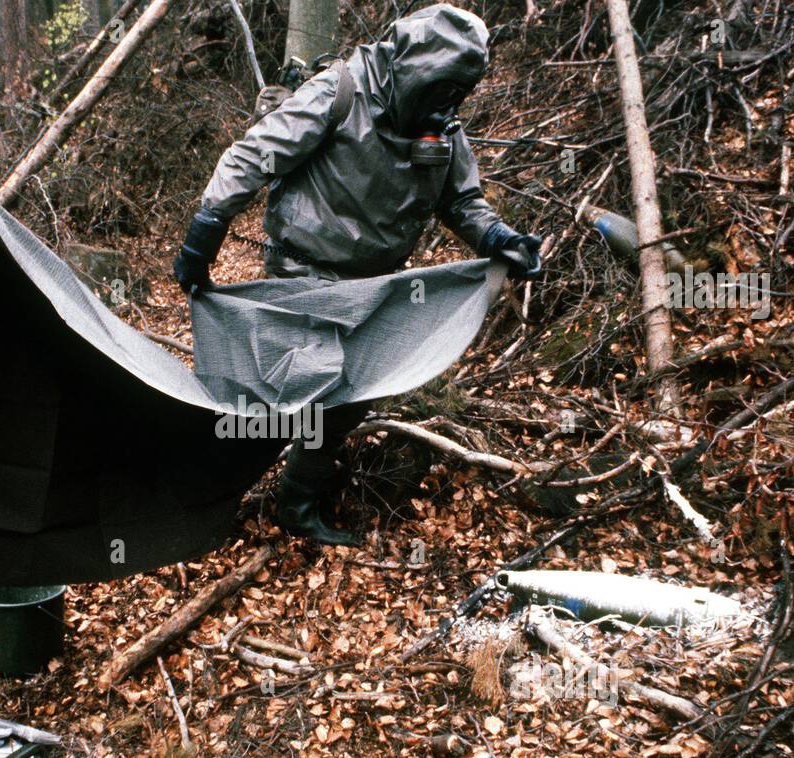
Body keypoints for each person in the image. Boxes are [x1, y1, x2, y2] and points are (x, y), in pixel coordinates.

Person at [174, 3, 542, 546]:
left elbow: (462, 201)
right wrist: (205, 229)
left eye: (458, 91)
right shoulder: (339, 92)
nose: (447, 102)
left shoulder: (442, 124)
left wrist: (498, 238)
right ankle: (203, 494)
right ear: (416, 70)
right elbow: (252, 156)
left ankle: (296, 503)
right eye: (440, 87)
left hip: (374, 287)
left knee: (348, 399)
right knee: (282, 395)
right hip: (303, 273)